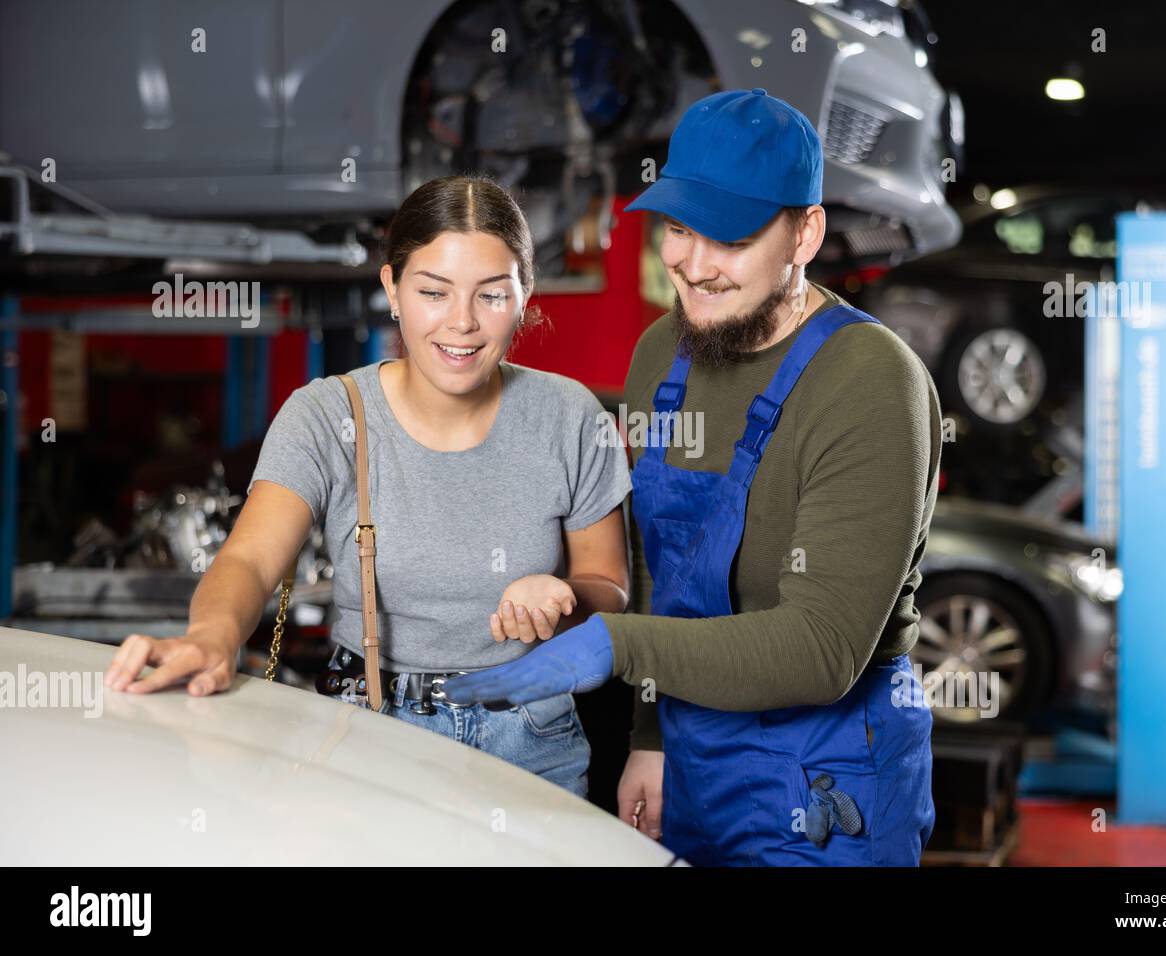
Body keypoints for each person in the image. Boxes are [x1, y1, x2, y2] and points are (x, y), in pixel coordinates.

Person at [444, 90, 942, 864]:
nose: (694, 264)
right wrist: (651, 736)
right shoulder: (661, 356)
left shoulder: (870, 381)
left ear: (804, 232)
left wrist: (613, 645)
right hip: (692, 749)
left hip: (829, 770)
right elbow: (662, 572)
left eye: (730, 237)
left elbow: (821, 649)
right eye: (678, 229)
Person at [102, 176, 632, 798]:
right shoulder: (327, 415)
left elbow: (612, 585)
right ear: (392, 289)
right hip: (372, 727)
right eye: (433, 292)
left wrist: (565, 594)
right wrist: (211, 639)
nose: (461, 323)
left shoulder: (570, 417)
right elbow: (248, 559)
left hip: (531, 731)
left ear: (524, 295)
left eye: (490, 295)